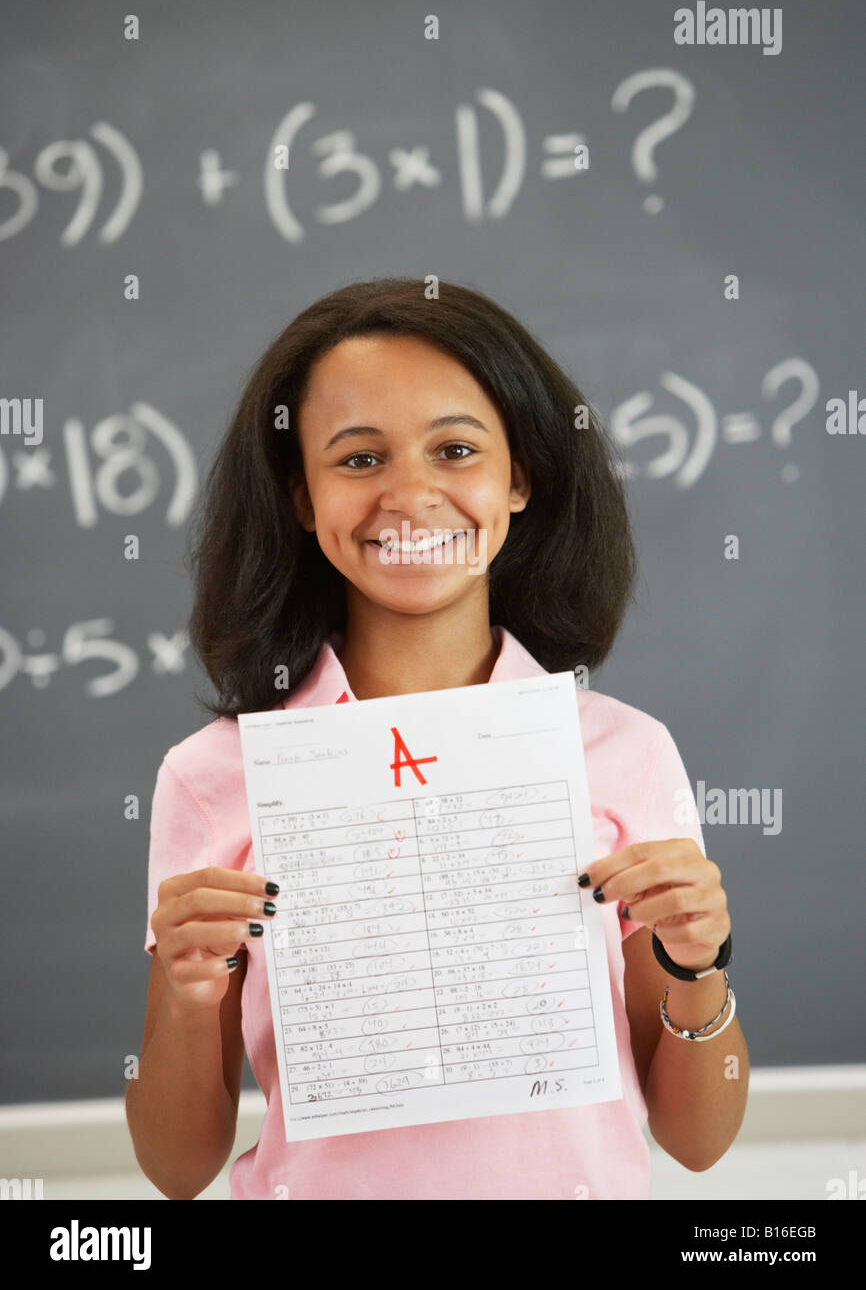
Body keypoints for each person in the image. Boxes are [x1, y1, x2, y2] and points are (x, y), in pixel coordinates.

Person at [126, 276, 748, 1200]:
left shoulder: (626, 753)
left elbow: (698, 1143)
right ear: (302, 496)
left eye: (455, 449)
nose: (410, 497)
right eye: (358, 459)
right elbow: (178, 1171)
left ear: (520, 476)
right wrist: (184, 992)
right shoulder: (215, 776)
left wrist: (698, 965)